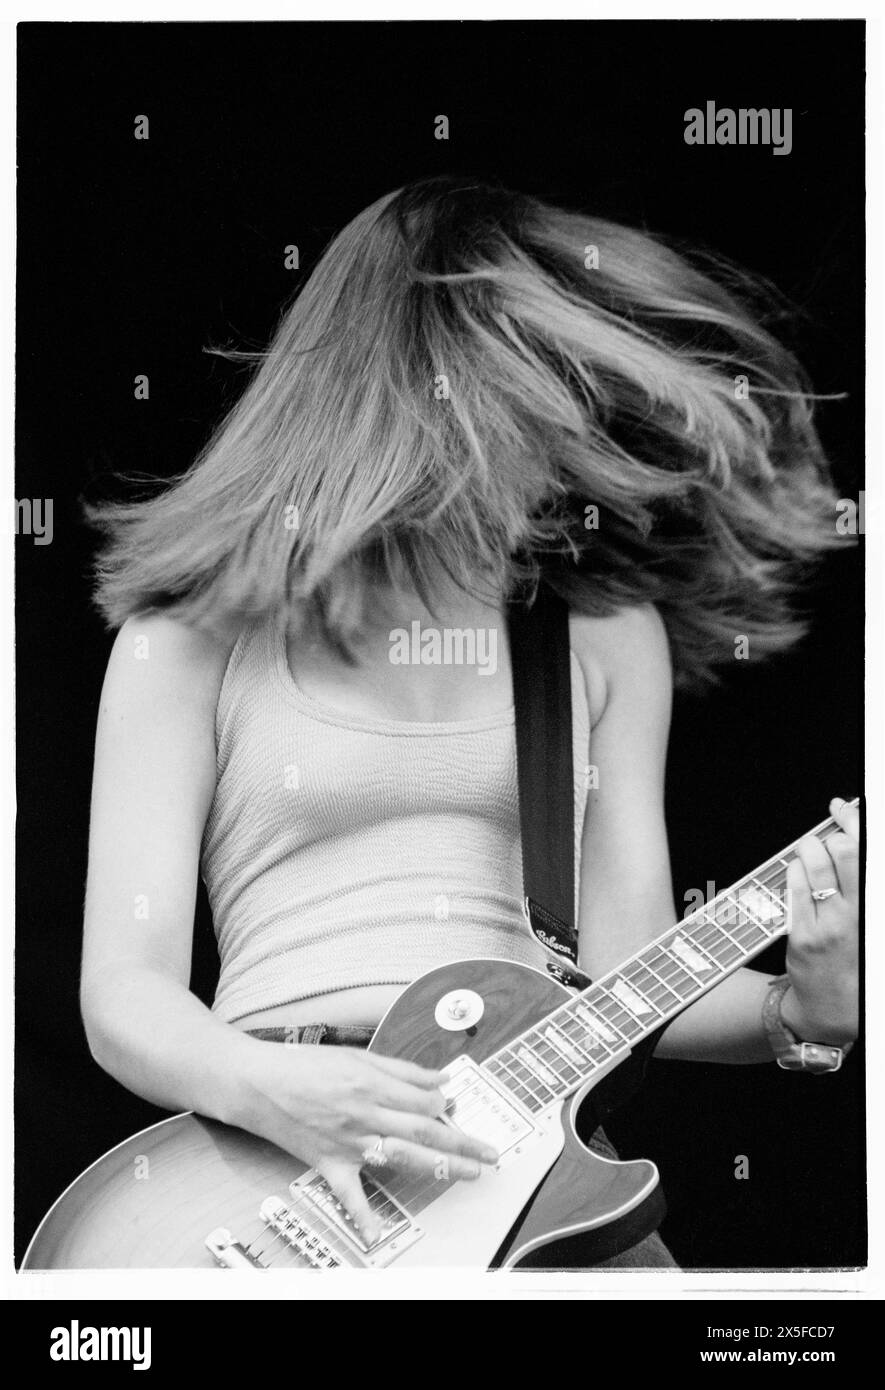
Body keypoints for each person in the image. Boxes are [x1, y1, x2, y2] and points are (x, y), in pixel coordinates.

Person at [80, 175, 859, 1266]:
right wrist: (279, 1087)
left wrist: (799, 1013)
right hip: (269, 1177)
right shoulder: (190, 634)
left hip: (528, 1182)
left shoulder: (596, 632)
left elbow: (631, 977)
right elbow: (122, 989)